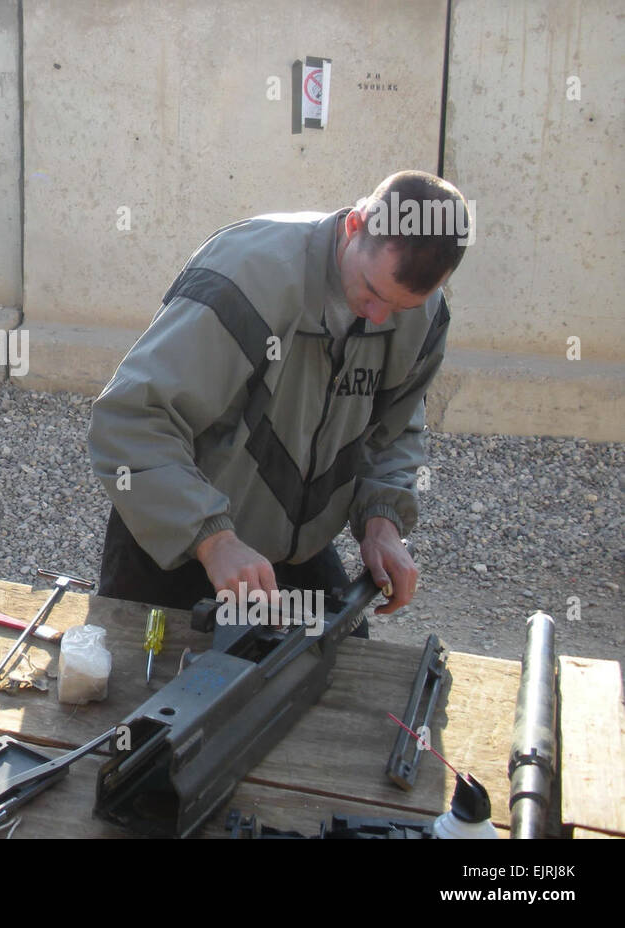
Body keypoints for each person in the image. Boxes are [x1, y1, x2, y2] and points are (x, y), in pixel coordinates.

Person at [88, 170, 470, 624]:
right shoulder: (247, 275)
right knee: (138, 682)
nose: (379, 315)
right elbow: (129, 420)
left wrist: (382, 521)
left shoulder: (424, 317)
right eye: (370, 291)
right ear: (353, 227)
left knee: (343, 676)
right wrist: (212, 539)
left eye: (400, 307)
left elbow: (394, 432)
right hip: (174, 543)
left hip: (289, 555)